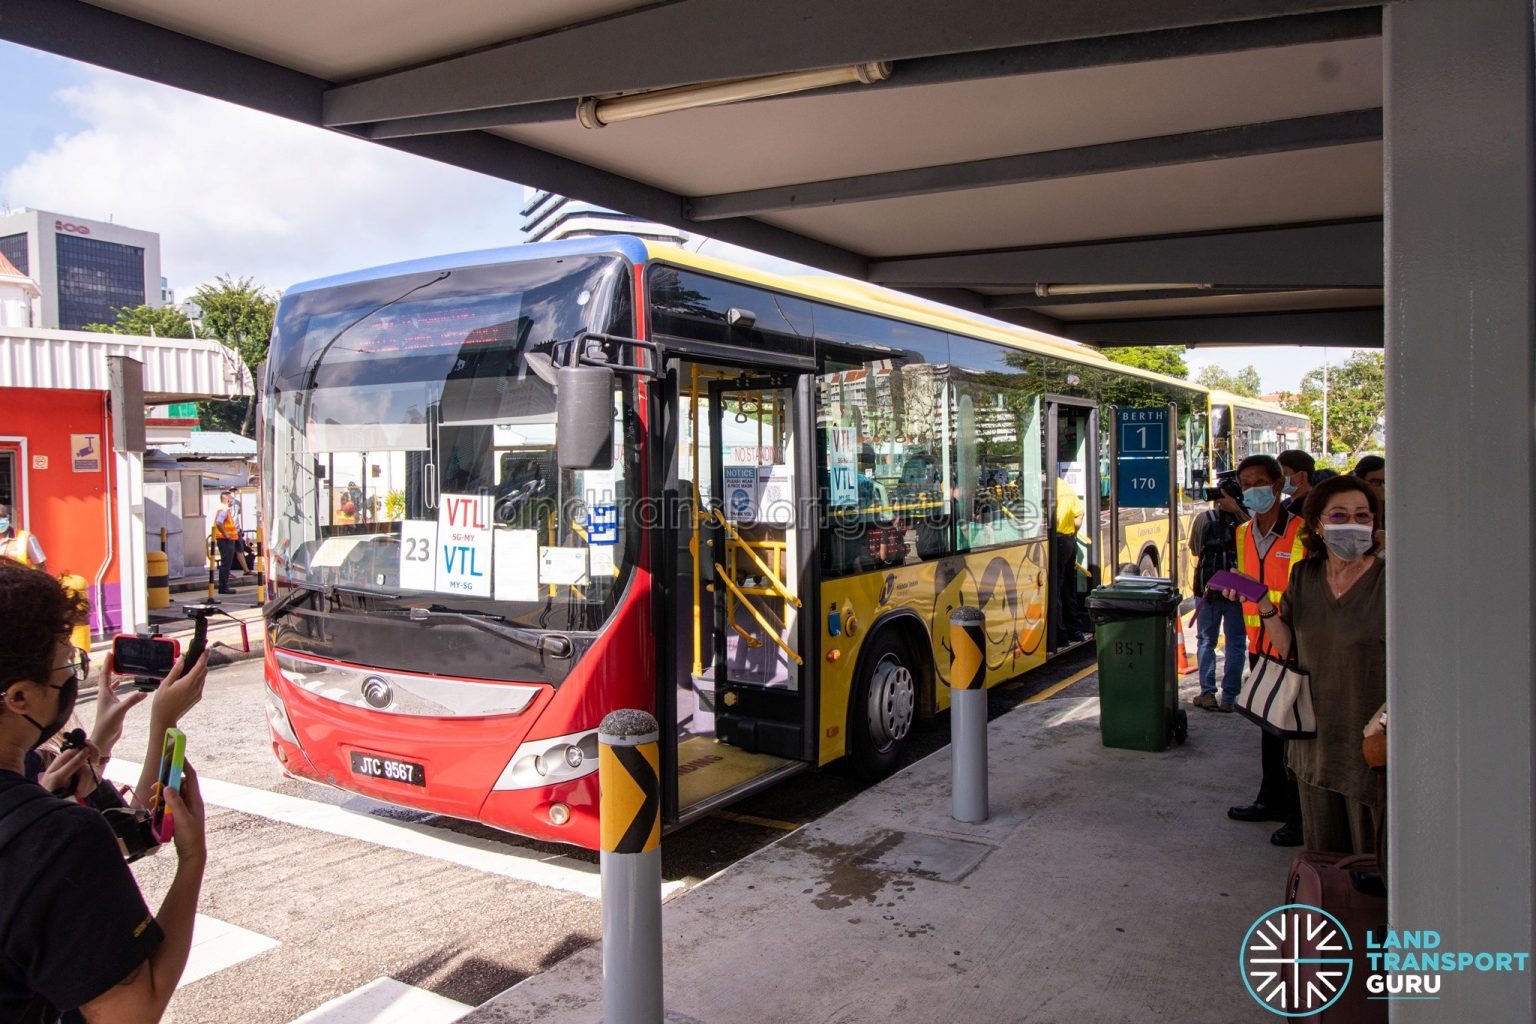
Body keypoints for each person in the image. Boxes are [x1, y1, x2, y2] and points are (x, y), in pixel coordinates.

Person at [0, 558, 207, 1023]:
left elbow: (125, 828)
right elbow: (134, 1010)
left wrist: (102, 743)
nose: (74, 678)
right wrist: (193, 860)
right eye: (65, 665)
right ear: (18, 698)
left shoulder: (43, 808)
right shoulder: (56, 841)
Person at [1247, 475, 1386, 854]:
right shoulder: (1305, 577)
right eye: (1339, 515)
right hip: (1314, 740)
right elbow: (1289, 644)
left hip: (1368, 741)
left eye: (1363, 515)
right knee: (1325, 855)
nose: (1352, 524)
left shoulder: (1391, 581)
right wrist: (1263, 605)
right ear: (1319, 525)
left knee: (1372, 860)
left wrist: (1388, 716)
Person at [1223, 454, 1308, 846]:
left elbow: (1301, 595)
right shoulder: (1242, 533)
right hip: (1259, 646)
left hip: (1293, 646)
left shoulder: (1302, 533)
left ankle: (1299, 814)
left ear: (1278, 485)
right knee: (1268, 727)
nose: (1252, 489)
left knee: (1293, 732)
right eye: (1245, 483)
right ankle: (1269, 799)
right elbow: (1249, 585)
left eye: (1259, 481)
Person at [1188, 473, 1248, 711]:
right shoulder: (1246, 522)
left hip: (1208, 589)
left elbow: (1195, 549)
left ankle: (1207, 693)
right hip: (1237, 590)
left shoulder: (1204, 519)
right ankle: (1229, 698)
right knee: (1236, 643)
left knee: (1206, 641)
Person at [1051, 470, 1093, 647]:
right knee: (1068, 589)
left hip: (1057, 541)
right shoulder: (1064, 485)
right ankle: (1075, 631)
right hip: (1069, 541)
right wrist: (1072, 533)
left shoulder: (1047, 488)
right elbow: (1079, 516)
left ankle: (1060, 635)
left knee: (1055, 590)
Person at [0, 504, 46, 572]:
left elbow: (41, 567)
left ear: (8, 517)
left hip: (19, 581)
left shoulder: (26, 538)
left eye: (0, 516)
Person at [211, 490, 240, 594]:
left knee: (225, 564)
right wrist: (225, 535)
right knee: (226, 564)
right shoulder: (224, 509)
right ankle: (223, 587)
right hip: (226, 540)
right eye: (231, 498)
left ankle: (223, 586)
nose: (232, 500)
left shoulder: (221, 508)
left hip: (224, 540)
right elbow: (219, 523)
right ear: (227, 499)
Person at [1277, 449, 1316, 514]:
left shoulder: (1314, 507)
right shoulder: (1286, 504)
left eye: (1284, 473)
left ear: (1302, 476)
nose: (1279, 479)